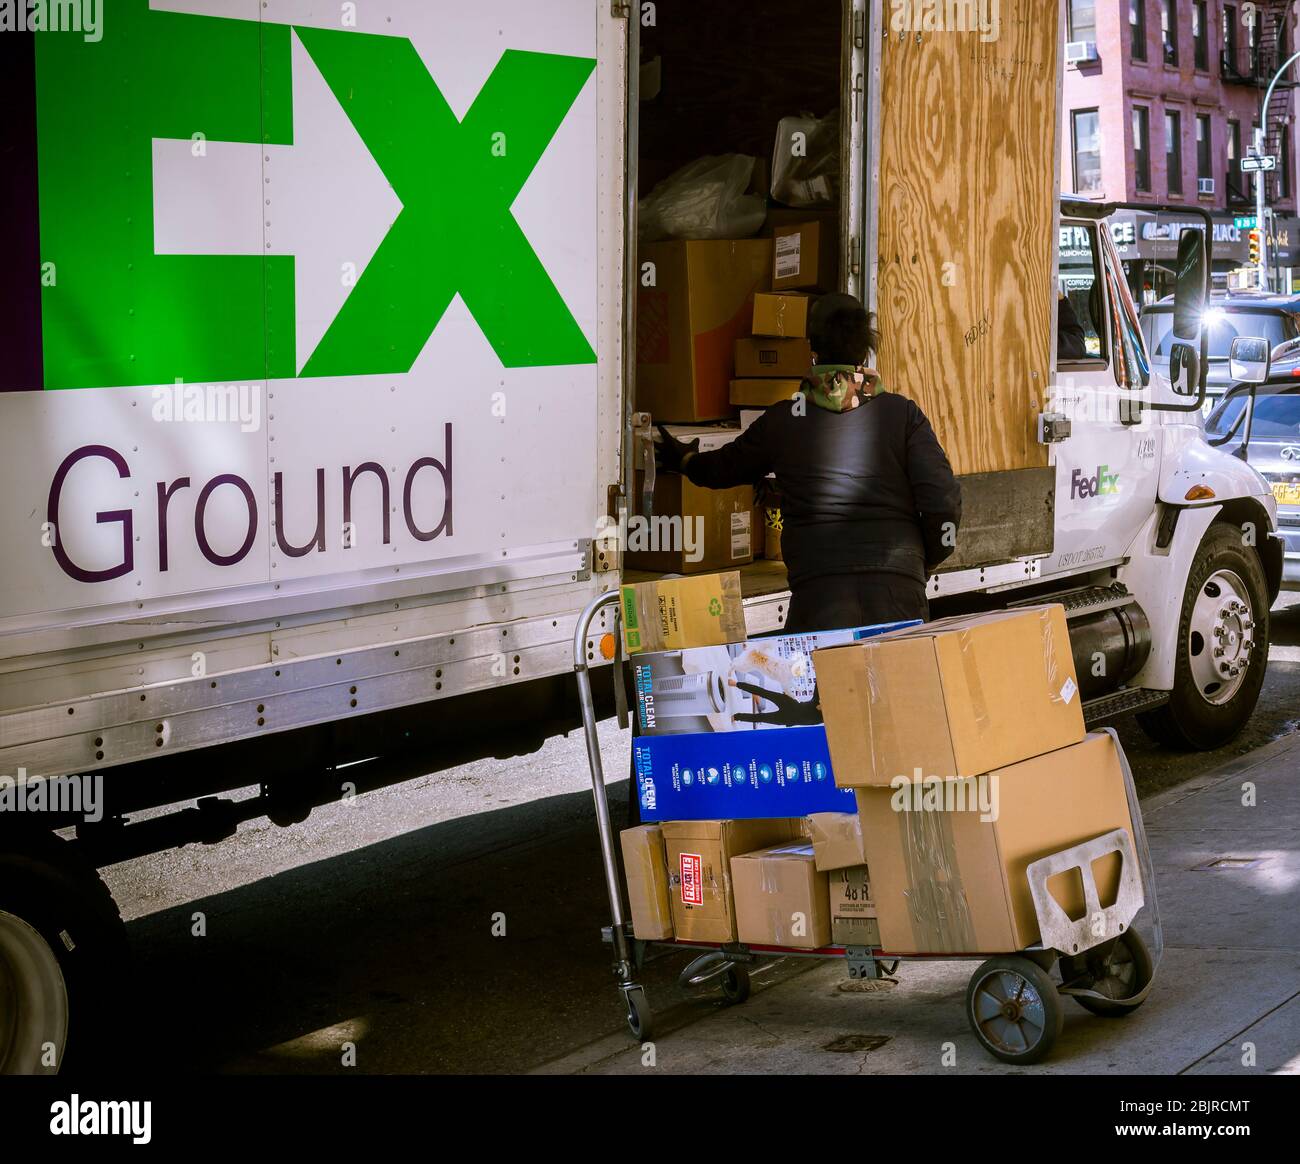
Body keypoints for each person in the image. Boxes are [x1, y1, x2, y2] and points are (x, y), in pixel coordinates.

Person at [658, 292, 961, 634]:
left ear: (812, 350)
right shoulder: (903, 415)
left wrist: (683, 459)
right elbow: (942, 500)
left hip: (819, 594)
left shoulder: (785, 420)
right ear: (865, 352)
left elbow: (722, 469)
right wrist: (924, 559)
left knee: (826, 687)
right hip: (898, 586)